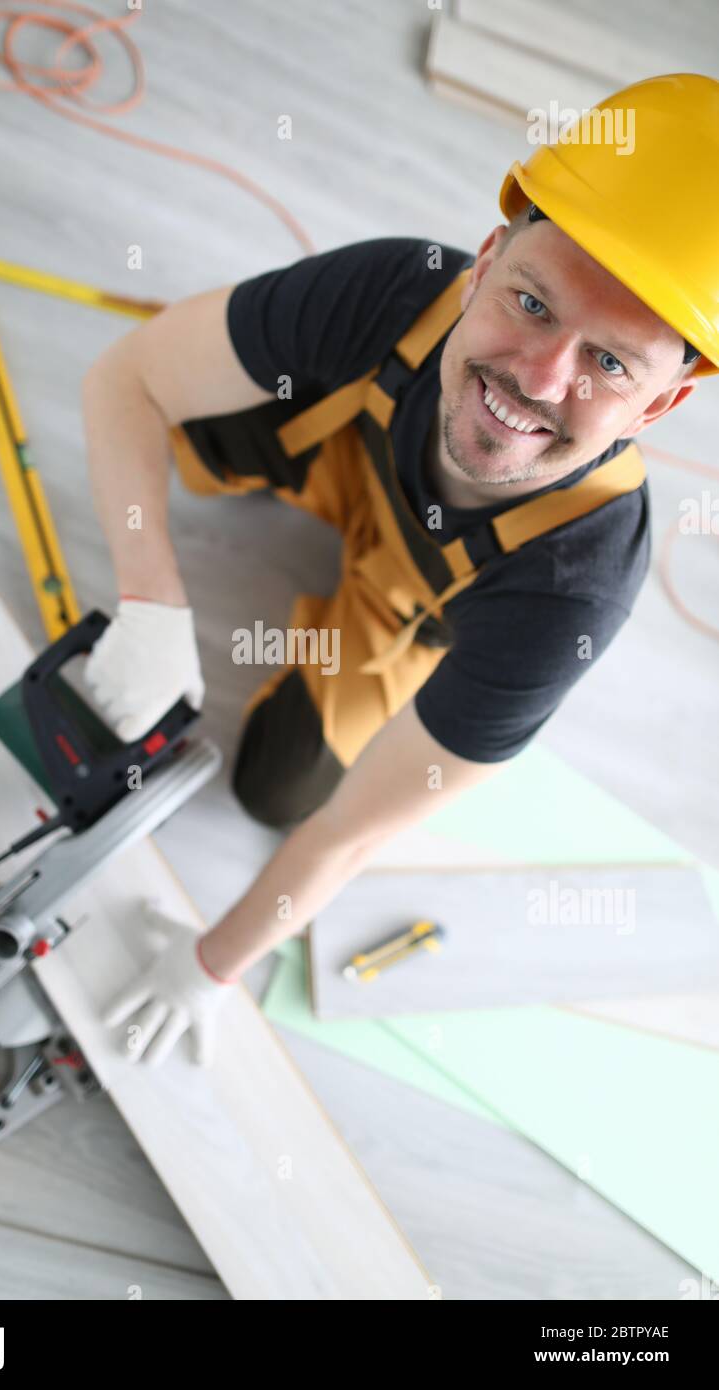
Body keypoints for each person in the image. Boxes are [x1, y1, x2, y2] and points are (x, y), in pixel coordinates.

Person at [81, 73, 719, 1070]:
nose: (538, 378)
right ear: (478, 266)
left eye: (608, 364)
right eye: (530, 302)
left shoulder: (574, 592)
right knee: (186, 417)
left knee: (280, 790)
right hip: (353, 458)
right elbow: (124, 376)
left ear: (656, 409)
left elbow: (344, 834)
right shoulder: (387, 291)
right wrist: (148, 592)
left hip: (412, 607)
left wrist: (207, 965)